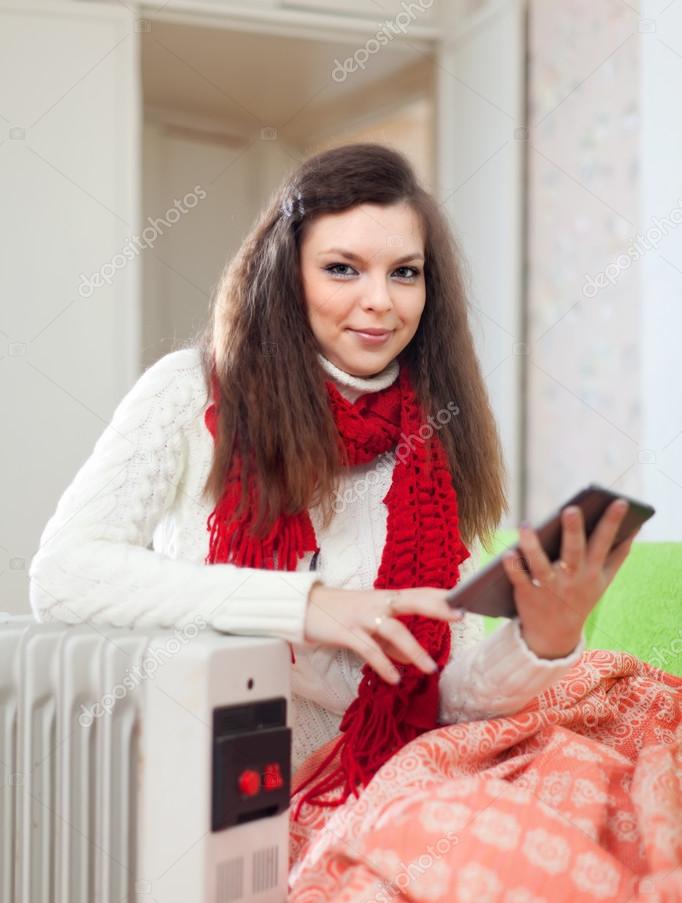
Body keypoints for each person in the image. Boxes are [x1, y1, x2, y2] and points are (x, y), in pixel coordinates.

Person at [28, 142, 637, 791]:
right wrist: (305, 605)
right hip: (216, 787)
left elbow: (440, 704)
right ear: (286, 275)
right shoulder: (189, 392)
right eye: (343, 268)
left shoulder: (432, 437)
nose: (381, 300)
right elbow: (63, 575)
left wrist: (539, 643)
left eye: (405, 272)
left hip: (383, 780)